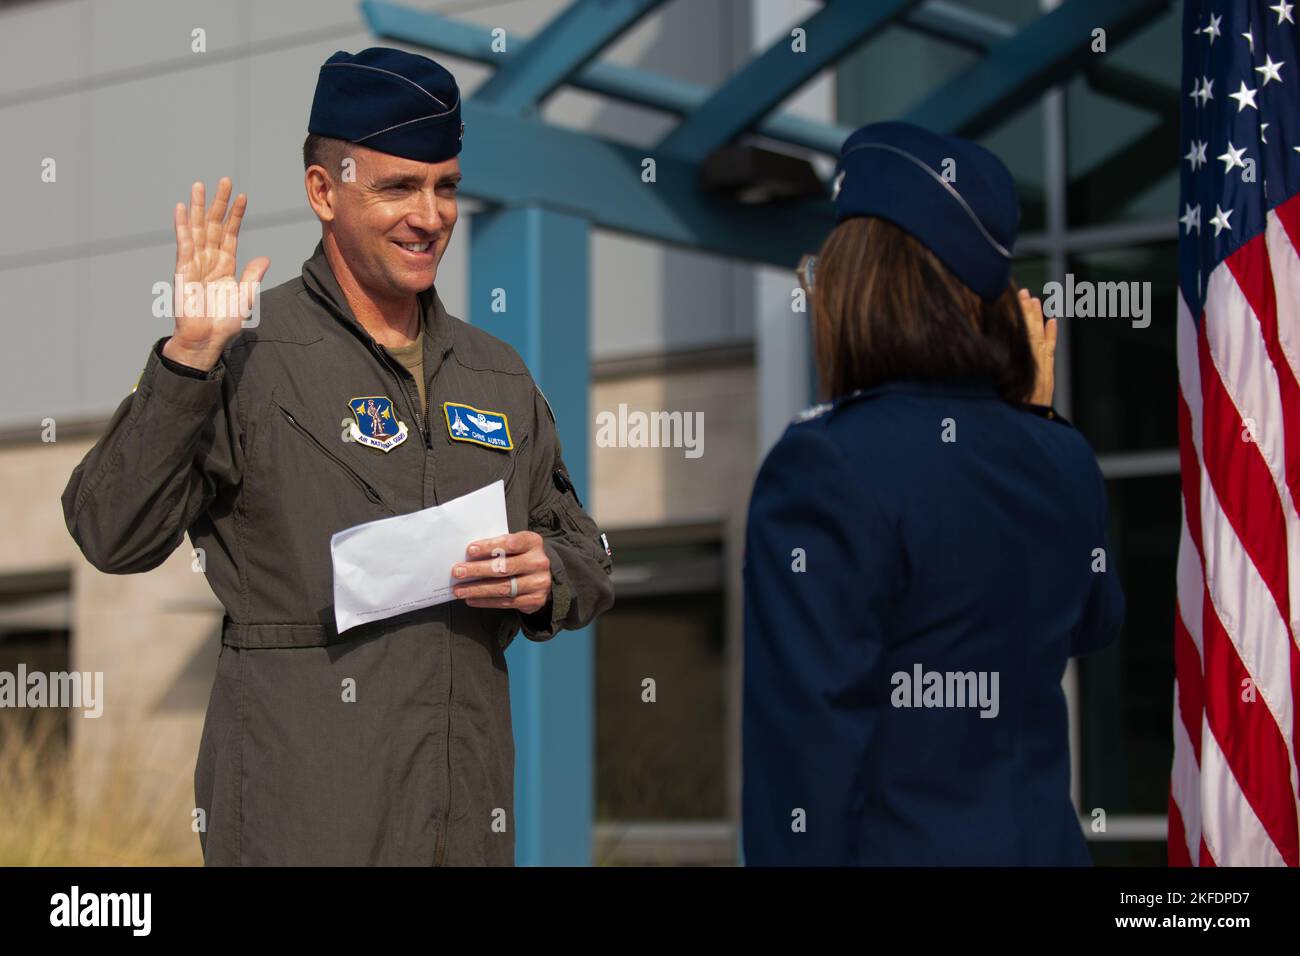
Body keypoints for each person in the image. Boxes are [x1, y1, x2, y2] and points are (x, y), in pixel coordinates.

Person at [61, 48, 615, 866]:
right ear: (325, 190)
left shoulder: (498, 373)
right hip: (299, 822)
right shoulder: (248, 356)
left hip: (463, 828)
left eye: (447, 185)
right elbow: (111, 532)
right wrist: (187, 358)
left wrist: (551, 574)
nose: (431, 215)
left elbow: (585, 548)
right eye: (398, 186)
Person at [741, 121, 1124, 866]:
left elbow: (806, 762)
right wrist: (1035, 418)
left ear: (859, 290)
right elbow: (1096, 622)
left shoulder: (825, 464)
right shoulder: (1062, 456)